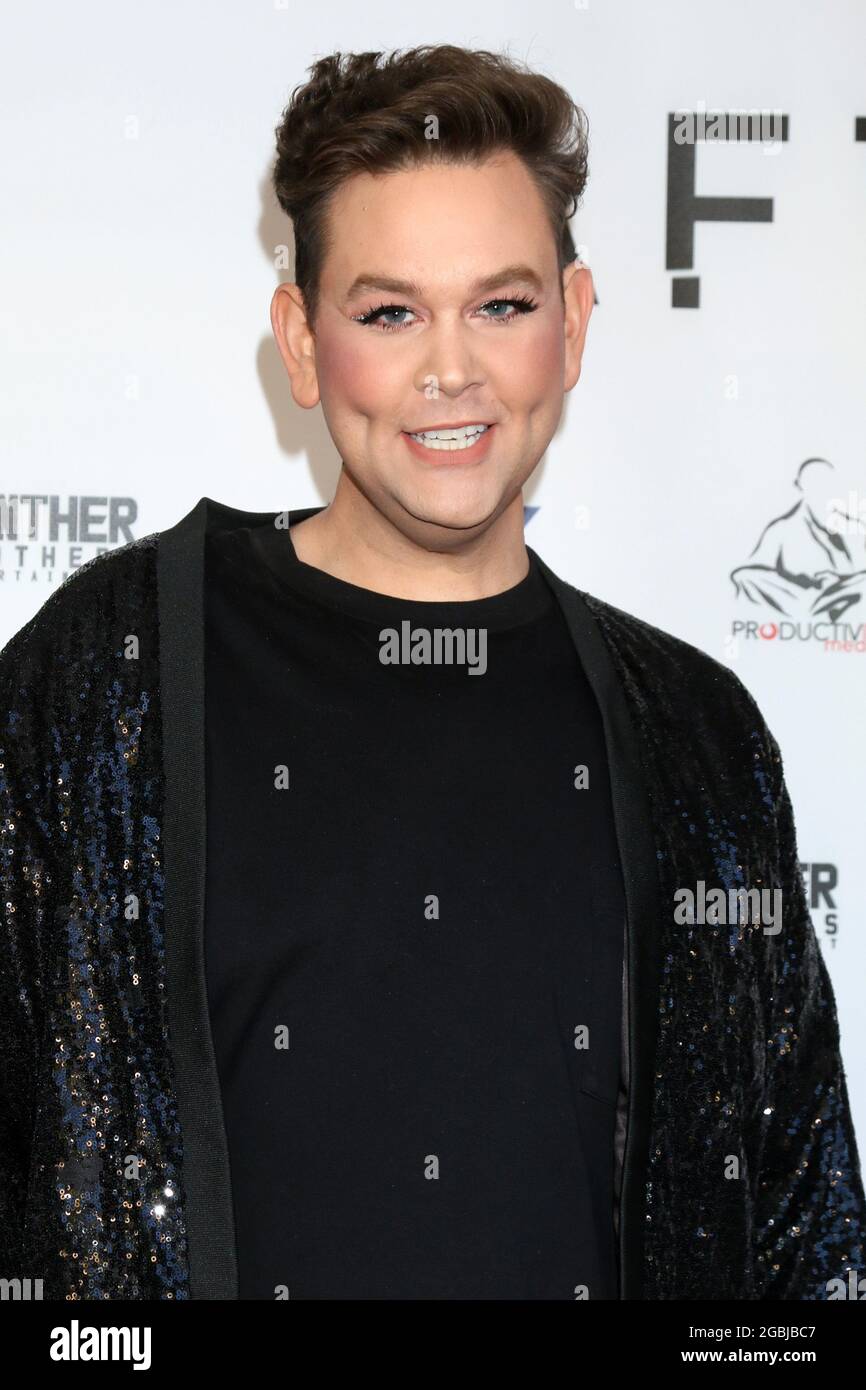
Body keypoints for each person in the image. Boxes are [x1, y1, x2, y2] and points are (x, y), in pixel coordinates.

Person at [0, 43, 862, 1302]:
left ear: (571, 324)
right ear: (301, 343)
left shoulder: (690, 733)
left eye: (500, 306)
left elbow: (796, 1227)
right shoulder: (111, 669)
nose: (448, 369)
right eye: (388, 310)